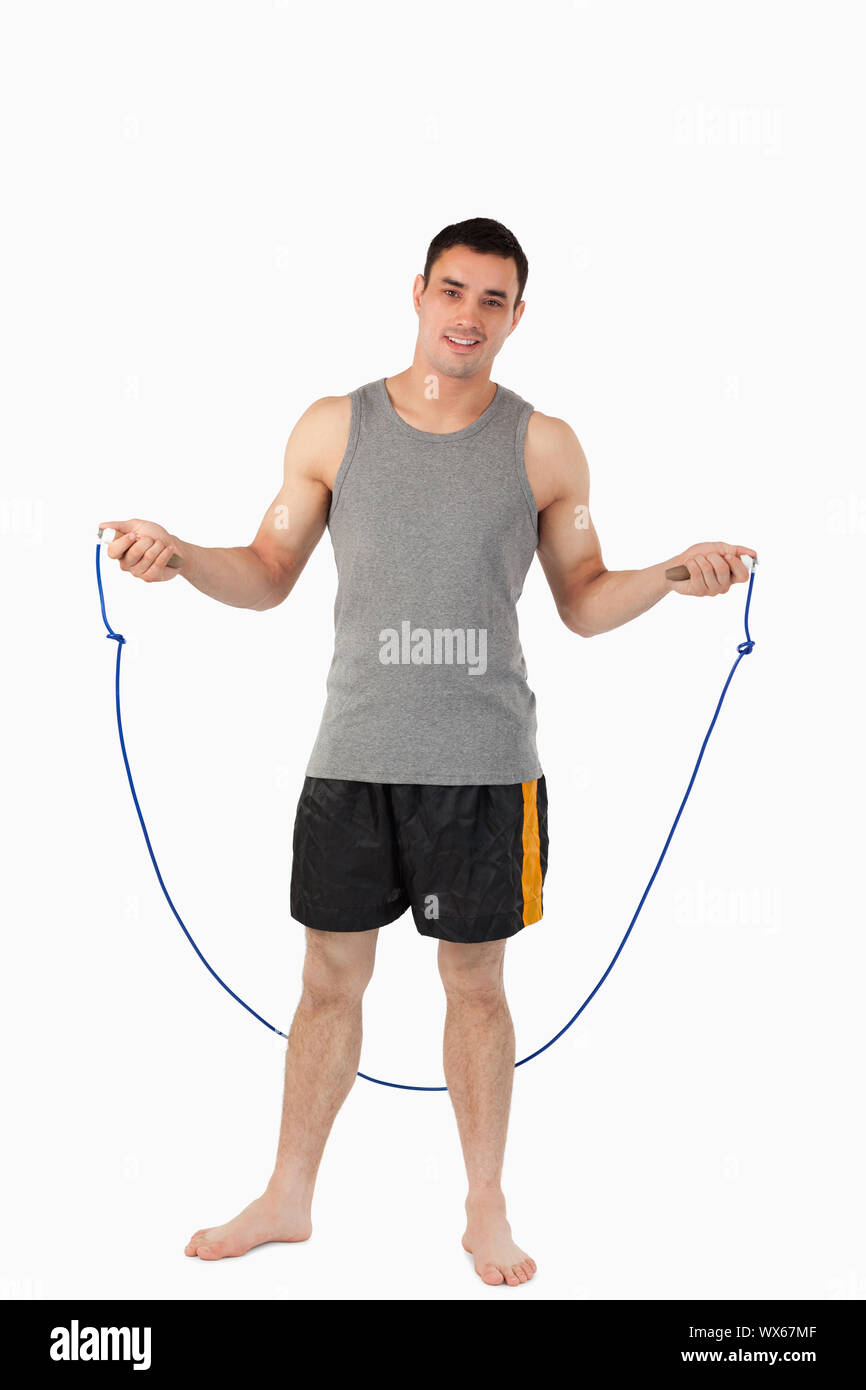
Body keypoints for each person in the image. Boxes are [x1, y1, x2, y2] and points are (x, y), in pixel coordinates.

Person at [99, 216, 756, 1288]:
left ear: (516, 316)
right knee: (325, 982)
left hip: (486, 769)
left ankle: (482, 1207)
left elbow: (583, 605)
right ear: (416, 292)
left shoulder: (543, 444)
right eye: (452, 291)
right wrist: (175, 559)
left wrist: (671, 576)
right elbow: (266, 569)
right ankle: (288, 1195)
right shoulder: (331, 426)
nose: (467, 316)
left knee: (477, 989)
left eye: (491, 301)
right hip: (352, 758)